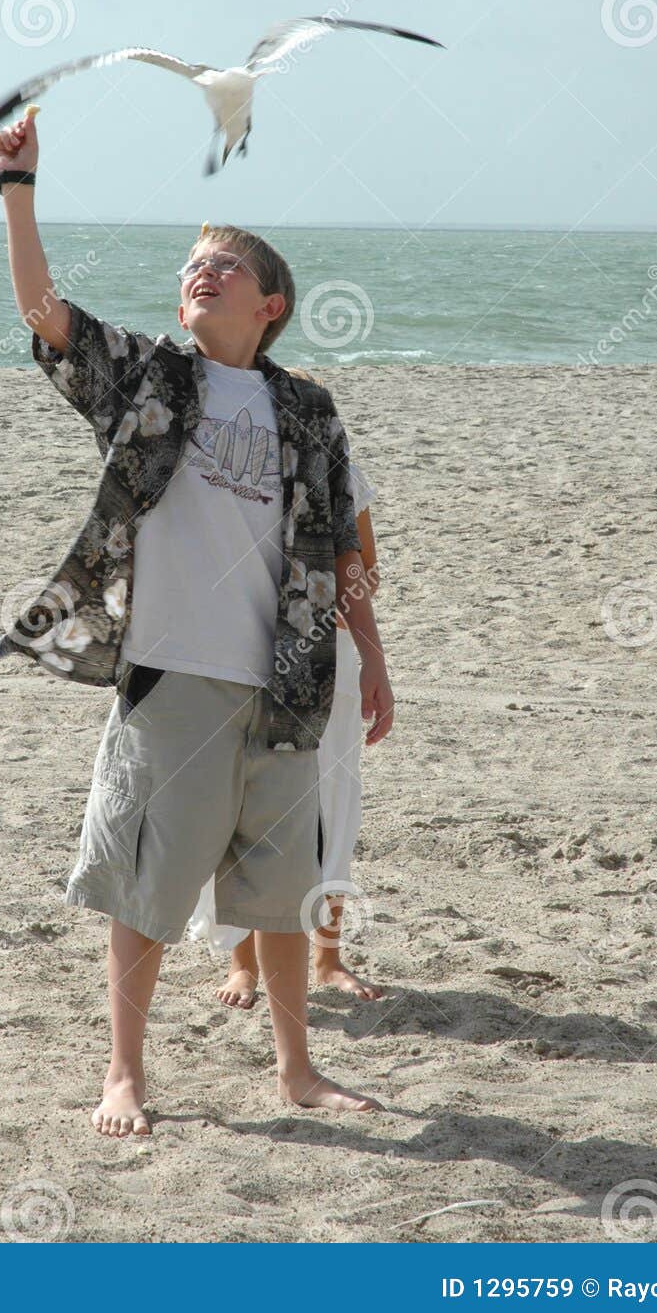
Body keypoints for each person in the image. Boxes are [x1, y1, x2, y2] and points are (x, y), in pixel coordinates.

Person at [0, 109, 395, 1139]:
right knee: (145, 886)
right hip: (171, 672)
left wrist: (370, 661)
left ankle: (296, 1071)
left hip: (290, 679)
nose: (198, 273)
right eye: (190, 264)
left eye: (221, 264)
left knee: (277, 888)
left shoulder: (306, 409)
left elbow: (344, 546)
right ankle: (123, 1073)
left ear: (271, 303)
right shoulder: (151, 376)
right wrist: (19, 188)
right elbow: (43, 310)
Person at [188, 390, 384, 1007]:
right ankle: (241, 963)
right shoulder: (220, 465)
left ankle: (327, 958)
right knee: (236, 806)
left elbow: (366, 573)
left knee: (331, 805)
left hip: (325, 657)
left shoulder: (337, 470)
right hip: (234, 656)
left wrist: (309, 589)